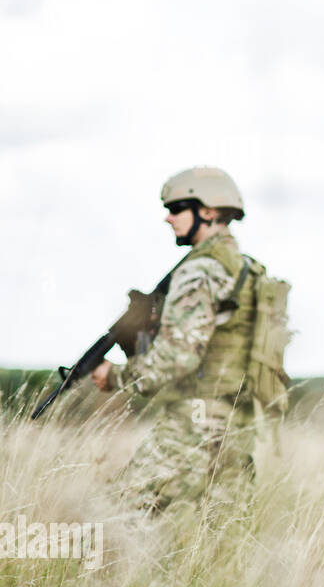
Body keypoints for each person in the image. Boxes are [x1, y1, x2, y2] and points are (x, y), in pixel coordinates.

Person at [92, 166, 265, 526]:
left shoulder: (198, 270)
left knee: (116, 520)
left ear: (209, 211)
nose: (168, 218)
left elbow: (179, 357)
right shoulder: (245, 268)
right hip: (236, 421)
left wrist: (116, 376)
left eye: (176, 208)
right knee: (225, 540)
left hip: (193, 421)